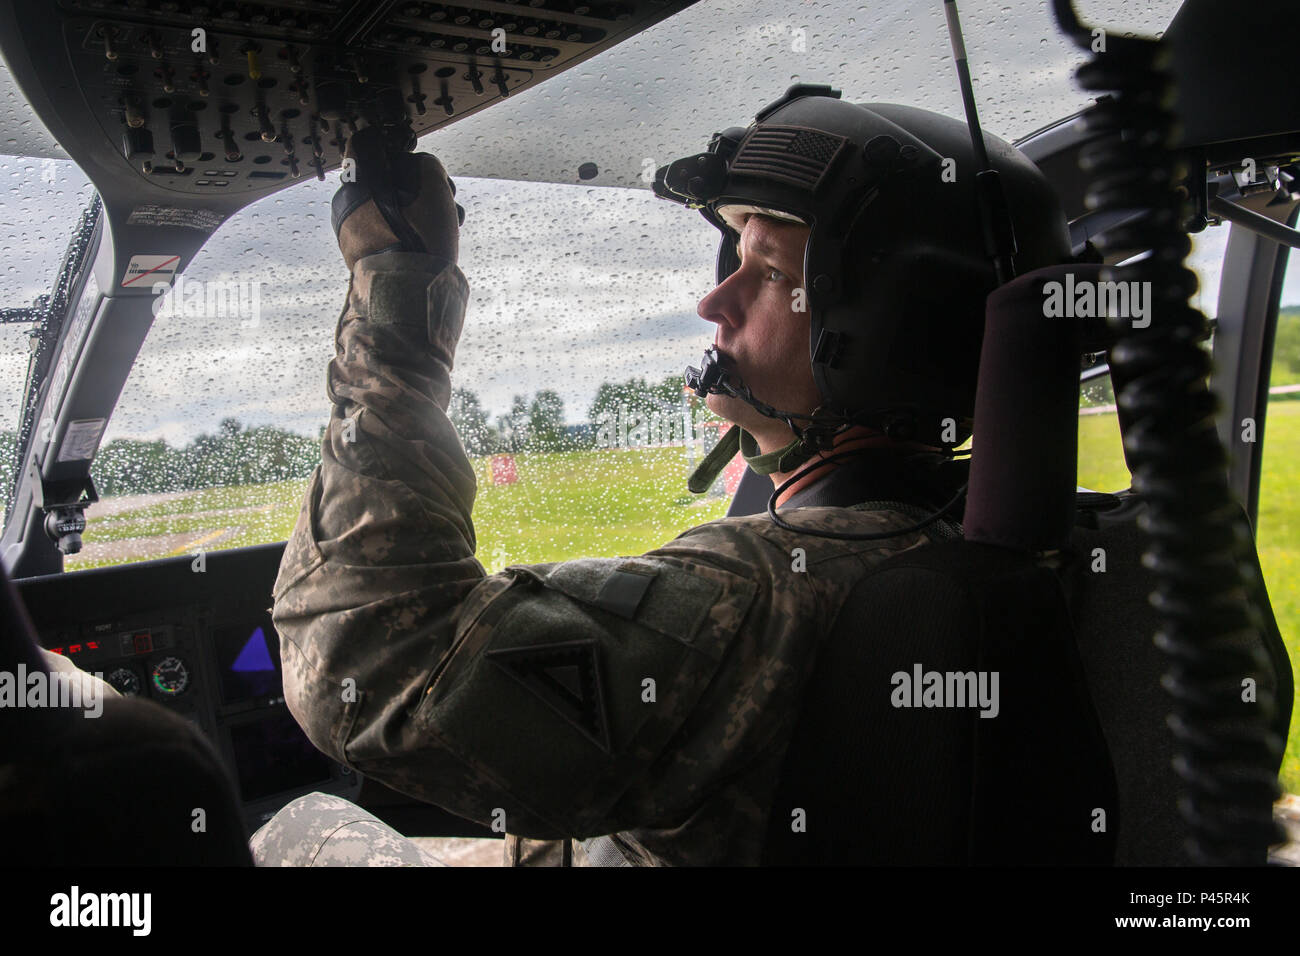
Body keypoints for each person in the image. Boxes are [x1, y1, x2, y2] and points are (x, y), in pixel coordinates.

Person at [265, 84, 1072, 865]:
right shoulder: (968, 538)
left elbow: (362, 659)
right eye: (736, 256)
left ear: (889, 332)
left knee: (298, 826)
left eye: (772, 275)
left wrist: (397, 284)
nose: (714, 303)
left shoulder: (762, 591)